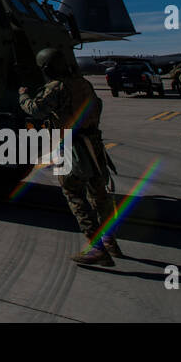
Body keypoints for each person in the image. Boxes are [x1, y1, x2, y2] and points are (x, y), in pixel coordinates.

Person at [19, 48, 121, 267]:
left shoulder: (56, 87)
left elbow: (35, 110)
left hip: (72, 146)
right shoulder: (83, 83)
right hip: (94, 143)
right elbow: (98, 106)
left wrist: (23, 95)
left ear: (46, 68)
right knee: (99, 194)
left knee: (73, 192)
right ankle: (109, 238)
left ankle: (96, 248)